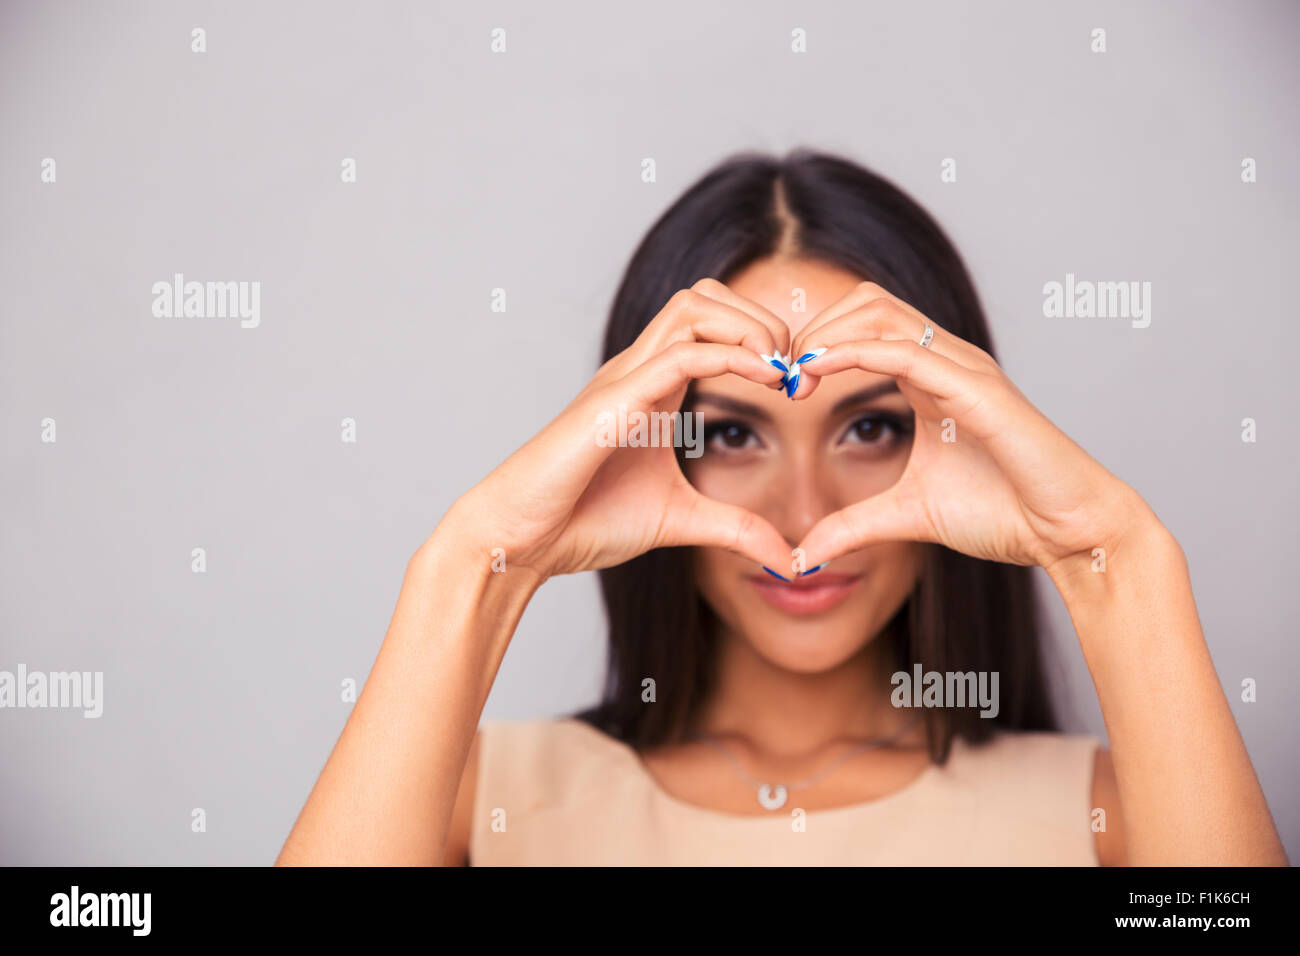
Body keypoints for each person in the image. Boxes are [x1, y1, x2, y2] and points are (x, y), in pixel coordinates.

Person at [276, 150, 1287, 866]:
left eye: (868, 428)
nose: (803, 511)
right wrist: (476, 558)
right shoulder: (478, 801)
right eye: (729, 434)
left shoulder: (1111, 816)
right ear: (647, 442)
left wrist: (1114, 556)